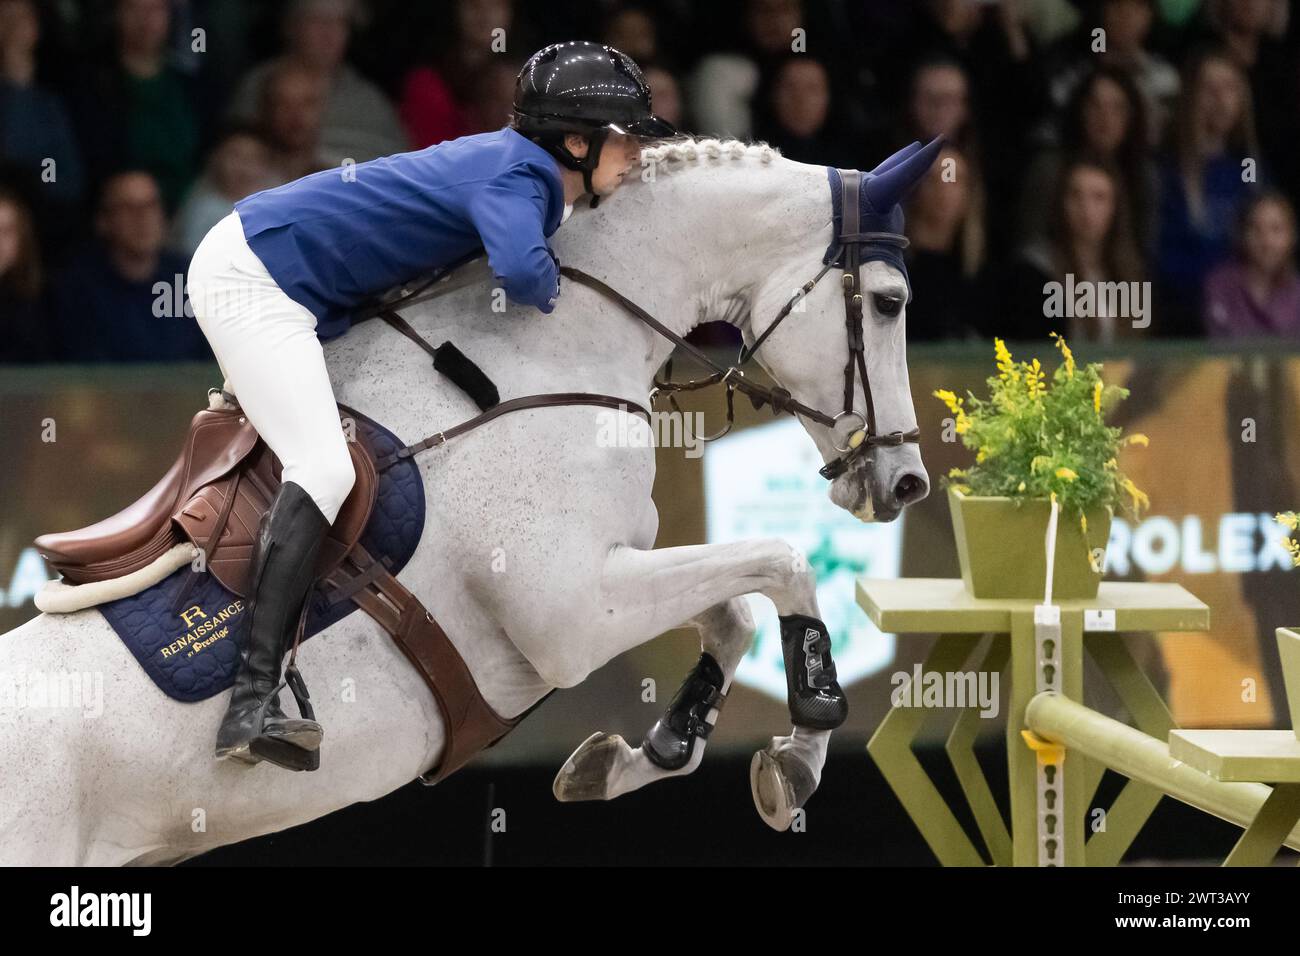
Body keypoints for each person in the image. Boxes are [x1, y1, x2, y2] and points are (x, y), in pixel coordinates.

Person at [188, 41, 676, 773]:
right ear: (575, 143)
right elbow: (521, 273)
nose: (636, 155)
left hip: (290, 280)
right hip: (256, 280)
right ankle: (251, 699)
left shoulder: (525, 170)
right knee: (323, 469)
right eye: (625, 138)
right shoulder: (525, 177)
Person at [50, 170, 207, 362]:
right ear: (103, 221)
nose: (143, 218)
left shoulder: (190, 276)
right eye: (128, 208)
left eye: (151, 206)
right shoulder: (76, 287)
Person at [1204, 191, 1300, 338]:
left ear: (1292, 236)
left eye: (1276, 229)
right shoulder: (1220, 285)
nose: (1266, 242)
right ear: (1242, 235)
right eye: (1256, 229)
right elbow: (1219, 346)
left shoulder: (1297, 291)